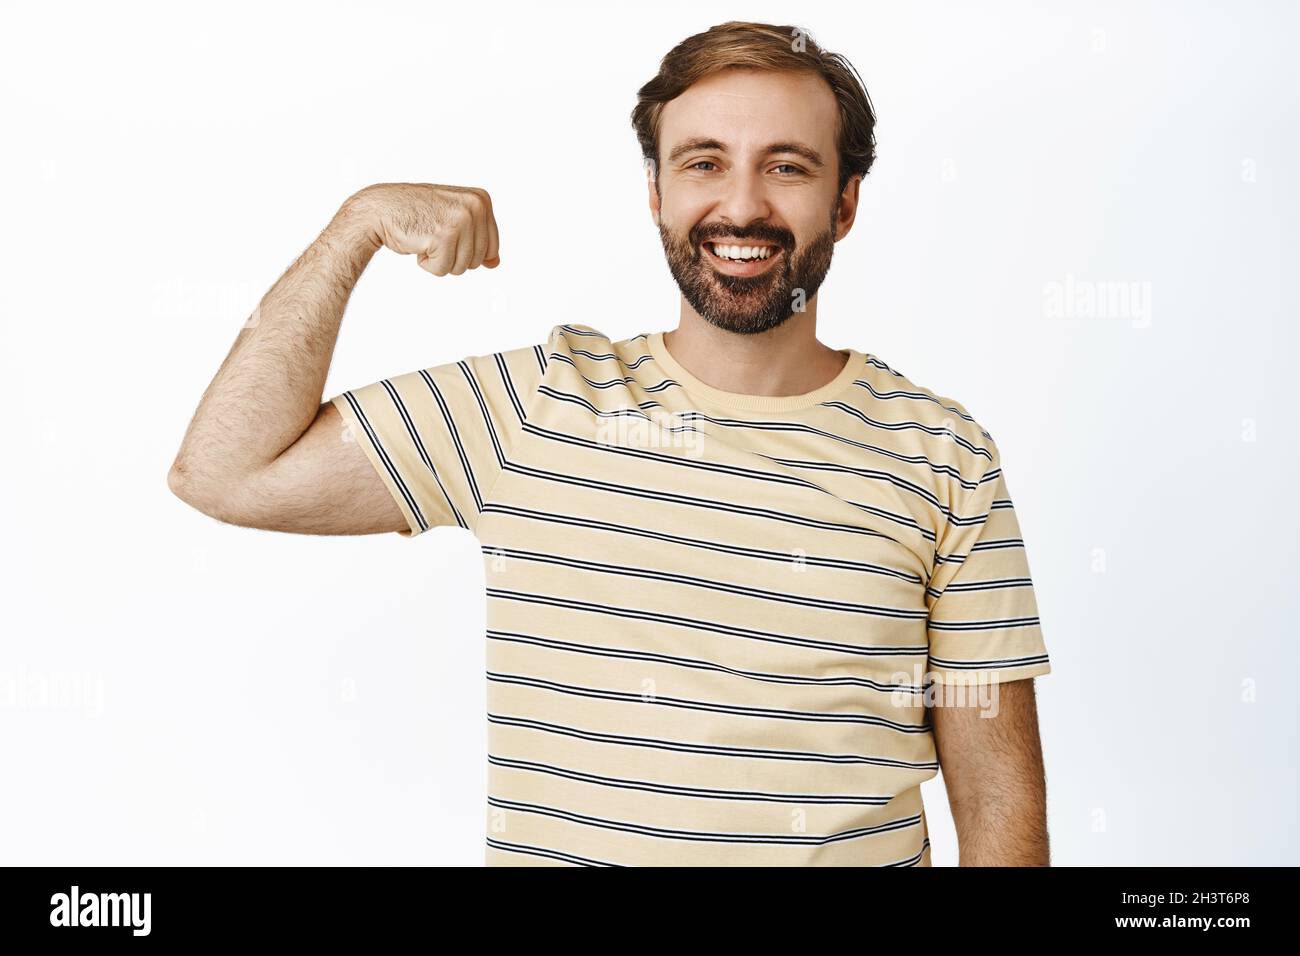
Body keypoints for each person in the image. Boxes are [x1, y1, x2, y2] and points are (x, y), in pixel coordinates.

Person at [168, 20, 1052, 867]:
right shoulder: (536, 404)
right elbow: (225, 471)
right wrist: (352, 229)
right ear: (657, 193)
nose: (741, 204)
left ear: (846, 201)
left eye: (787, 166)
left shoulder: (943, 454)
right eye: (705, 162)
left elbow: (1001, 815)